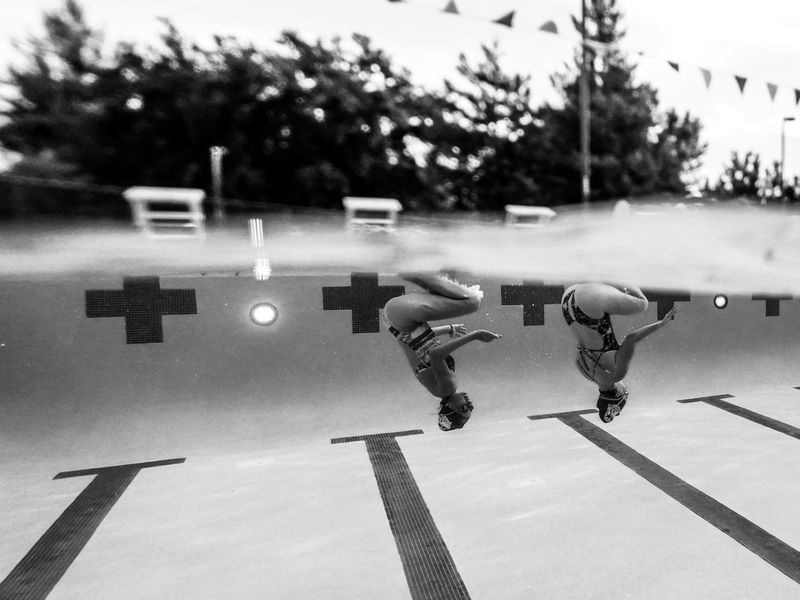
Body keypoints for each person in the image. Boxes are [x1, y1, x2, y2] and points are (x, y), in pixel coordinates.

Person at [383, 273, 502, 431]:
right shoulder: (436, 389)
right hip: (395, 317)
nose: (469, 404)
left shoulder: (447, 388)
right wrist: (449, 328)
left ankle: (414, 271)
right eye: (470, 408)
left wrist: (476, 335)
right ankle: (421, 274)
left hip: (403, 316)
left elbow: (435, 355)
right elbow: (408, 340)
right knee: (461, 298)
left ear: (449, 407)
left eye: (464, 409)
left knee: (472, 302)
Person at [561, 282, 677, 423]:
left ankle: (622, 278)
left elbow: (632, 338)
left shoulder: (615, 374)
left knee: (642, 304)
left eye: (624, 393)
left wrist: (661, 324)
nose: (625, 388)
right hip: (568, 303)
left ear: (617, 393)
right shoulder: (586, 372)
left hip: (588, 303)